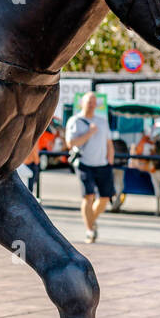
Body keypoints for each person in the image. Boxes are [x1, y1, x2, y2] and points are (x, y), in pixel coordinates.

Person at [66, 92, 114, 242]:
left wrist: (110, 159)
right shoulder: (75, 121)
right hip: (84, 163)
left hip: (103, 164)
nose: (92, 104)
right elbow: (71, 144)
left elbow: (109, 142)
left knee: (105, 198)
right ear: (82, 103)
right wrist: (89, 132)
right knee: (89, 196)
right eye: (89, 101)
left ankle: (90, 221)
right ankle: (89, 231)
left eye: (94, 102)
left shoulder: (102, 121)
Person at [130, 126, 160, 216]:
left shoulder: (150, 144)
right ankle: (159, 209)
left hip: (157, 166)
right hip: (151, 167)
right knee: (157, 190)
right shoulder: (145, 143)